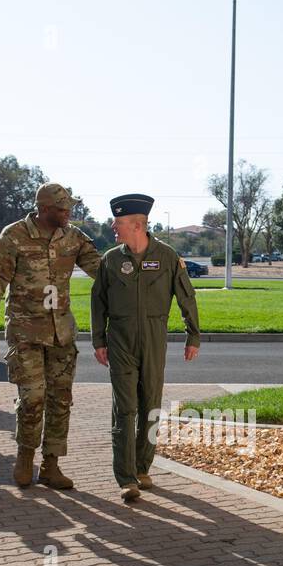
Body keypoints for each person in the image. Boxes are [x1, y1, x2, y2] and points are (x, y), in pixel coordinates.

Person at [0, 183, 102, 489]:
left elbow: (104, 271)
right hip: (25, 333)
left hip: (62, 334)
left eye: (69, 207)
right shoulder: (13, 237)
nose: (68, 212)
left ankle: (51, 464)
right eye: (62, 208)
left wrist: (140, 266)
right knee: (32, 398)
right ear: (44, 209)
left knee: (60, 400)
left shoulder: (72, 237)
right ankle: (25, 456)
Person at [90, 194, 200, 501]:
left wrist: (194, 335)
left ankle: (142, 467)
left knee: (150, 405)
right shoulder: (111, 260)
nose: (113, 226)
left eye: (119, 222)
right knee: (124, 409)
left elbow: (186, 296)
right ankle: (126, 477)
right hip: (120, 340)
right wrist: (98, 339)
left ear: (138, 225)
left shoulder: (166, 257)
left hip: (154, 338)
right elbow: (98, 302)